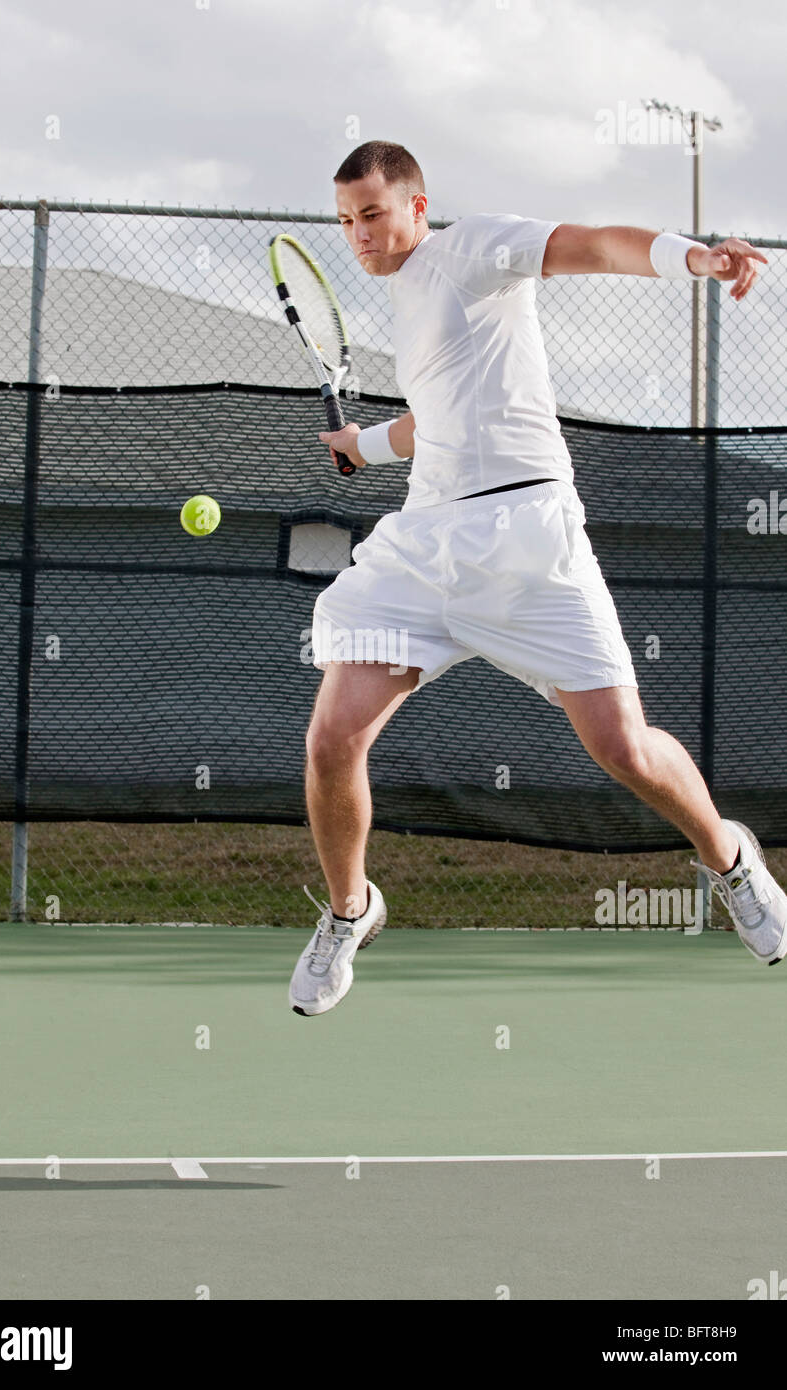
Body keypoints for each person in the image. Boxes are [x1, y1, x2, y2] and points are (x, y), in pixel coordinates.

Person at [289, 139, 785, 1017]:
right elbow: (432, 417)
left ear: (415, 204)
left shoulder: (474, 250)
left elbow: (594, 244)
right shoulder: (406, 301)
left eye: (371, 213)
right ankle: (350, 912)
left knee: (625, 750)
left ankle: (731, 861)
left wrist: (694, 258)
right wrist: (362, 446)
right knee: (333, 740)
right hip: (424, 546)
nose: (358, 235)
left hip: (529, 539)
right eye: (344, 222)